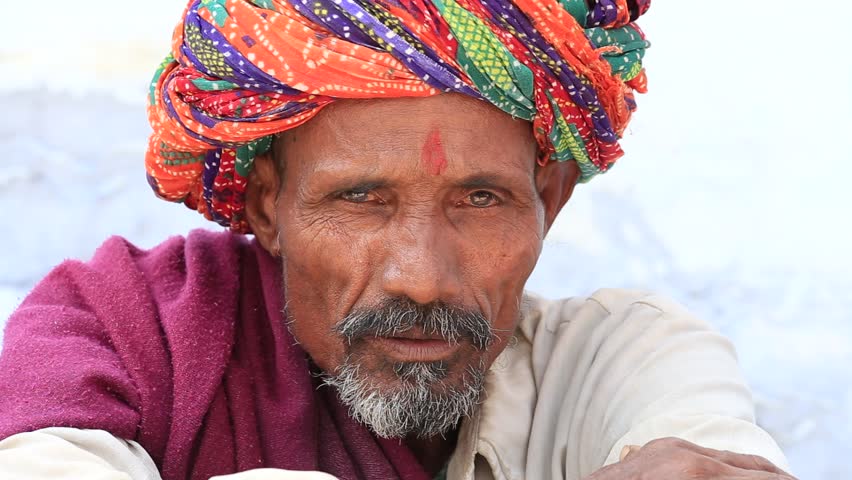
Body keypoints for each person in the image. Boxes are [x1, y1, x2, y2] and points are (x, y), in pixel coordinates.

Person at [0, 1, 796, 479]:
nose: (421, 277)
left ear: (547, 201)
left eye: (480, 199)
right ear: (269, 205)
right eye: (360, 199)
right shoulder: (116, 330)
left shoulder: (623, 360)